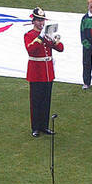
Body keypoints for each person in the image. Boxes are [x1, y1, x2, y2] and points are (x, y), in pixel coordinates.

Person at [24, 8, 63, 136]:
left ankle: (44, 126)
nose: (41, 23)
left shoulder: (46, 34)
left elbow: (60, 48)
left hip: (47, 71)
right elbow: (31, 50)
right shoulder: (29, 35)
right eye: (39, 21)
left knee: (46, 100)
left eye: (42, 20)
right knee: (36, 101)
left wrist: (51, 39)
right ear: (34, 21)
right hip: (36, 71)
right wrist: (40, 38)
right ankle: (35, 127)